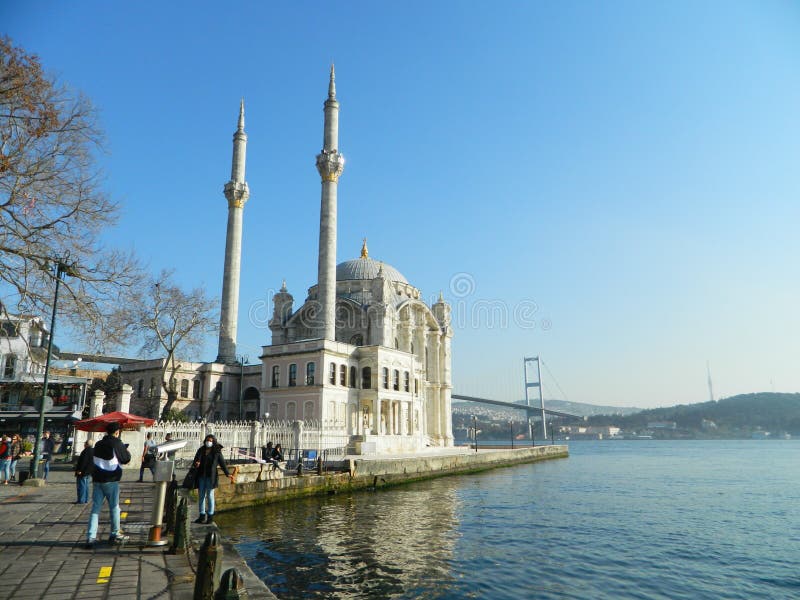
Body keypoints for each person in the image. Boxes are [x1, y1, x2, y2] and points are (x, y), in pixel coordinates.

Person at [85, 422, 131, 549]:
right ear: (117, 432)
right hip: (111, 479)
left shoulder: (99, 444)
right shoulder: (117, 443)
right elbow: (126, 459)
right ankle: (115, 533)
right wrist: (125, 449)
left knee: (95, 508)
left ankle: (90, 537)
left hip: (97, 480)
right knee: (114, 508)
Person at [192, 434, 234, 525]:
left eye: (210, 441)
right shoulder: (201, 450)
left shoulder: (216, 451)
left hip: (211, 477)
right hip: (201, 476)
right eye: (207, 440)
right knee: (201, 496)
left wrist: (228, 474)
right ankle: (202, 515)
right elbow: (195, 461)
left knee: (210, 496)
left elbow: (222, 463)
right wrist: (196, 463)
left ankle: (210, 516)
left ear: (213, 442)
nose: (209, 442)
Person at [75, 439, 94, 504]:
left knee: (81, 486)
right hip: (89, 471)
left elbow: (83, 462)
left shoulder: (86, 451)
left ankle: (81, 500)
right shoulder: (93, 450)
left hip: (83, 472)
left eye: (85, 443)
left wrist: (80, 470)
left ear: (86, 444)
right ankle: (86, 499)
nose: (84, 444)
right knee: (86, 486)